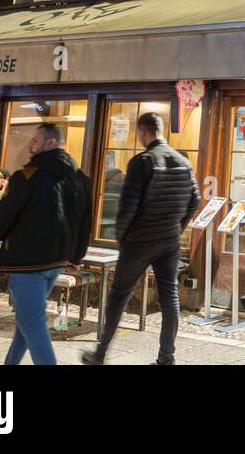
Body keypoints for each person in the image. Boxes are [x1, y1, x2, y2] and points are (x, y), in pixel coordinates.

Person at [83, 112, 200, 366]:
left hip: (140, 239)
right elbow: (195, 200)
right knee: (169, 298)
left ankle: (100, 352)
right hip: (169, 240)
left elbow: (128, 206)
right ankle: (166, 358)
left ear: (143, 132)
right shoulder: (183, 162)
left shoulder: (142, 162)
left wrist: (122, 236)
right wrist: (178, 227)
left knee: (119, 294)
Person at [0, 123, 92, 365]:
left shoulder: (27, 176)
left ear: (50, 143)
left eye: (35, 140)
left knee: (31, 322)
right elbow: (85, 221)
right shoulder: (80, 178)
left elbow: (2, 216)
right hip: (57, 261)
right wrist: (76, 257)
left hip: (27, 261)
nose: (30, 144)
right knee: (27, 320)